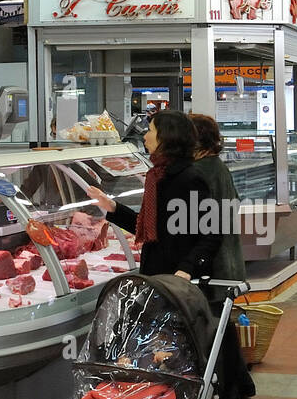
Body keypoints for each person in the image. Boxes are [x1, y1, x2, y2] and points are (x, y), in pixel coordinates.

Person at [85, 110, 221, 281]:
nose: (144, 136)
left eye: (150, 130)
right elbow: (151, 227)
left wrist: (187, 269)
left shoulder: (189, 179)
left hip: (177, 281)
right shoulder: (157, 175)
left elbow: (212, 233)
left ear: (166, 137)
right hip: (157, 275)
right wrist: (112, 207)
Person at [188, 113, 255, 399]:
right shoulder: (218, 166)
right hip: (228, 257)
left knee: (214, 329)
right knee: (222, 325)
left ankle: (227, 390)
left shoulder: (199, 171)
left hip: (214, 263)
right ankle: (240, 384)